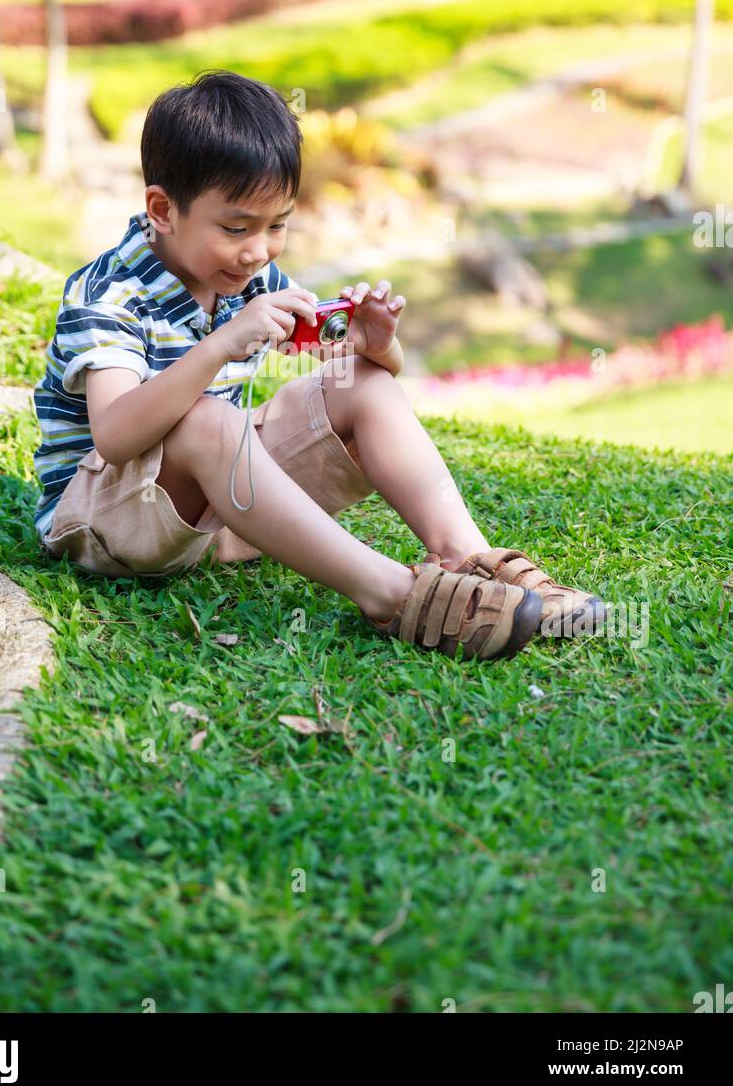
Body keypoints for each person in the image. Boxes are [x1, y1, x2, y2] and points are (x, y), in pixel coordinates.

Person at [32, 70, 605, 660]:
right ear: (163, 208)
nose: (259, 250)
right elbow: (117, 434)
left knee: (359, 381)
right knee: (210, 421)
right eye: (237, 228)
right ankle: (392, 593)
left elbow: (369, 377)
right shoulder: (109, 294)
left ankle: (469, 558)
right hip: (104, 520)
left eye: (277, 225)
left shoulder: (245, 276)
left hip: (210, 518)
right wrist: (224, 342)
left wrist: (375, 343)